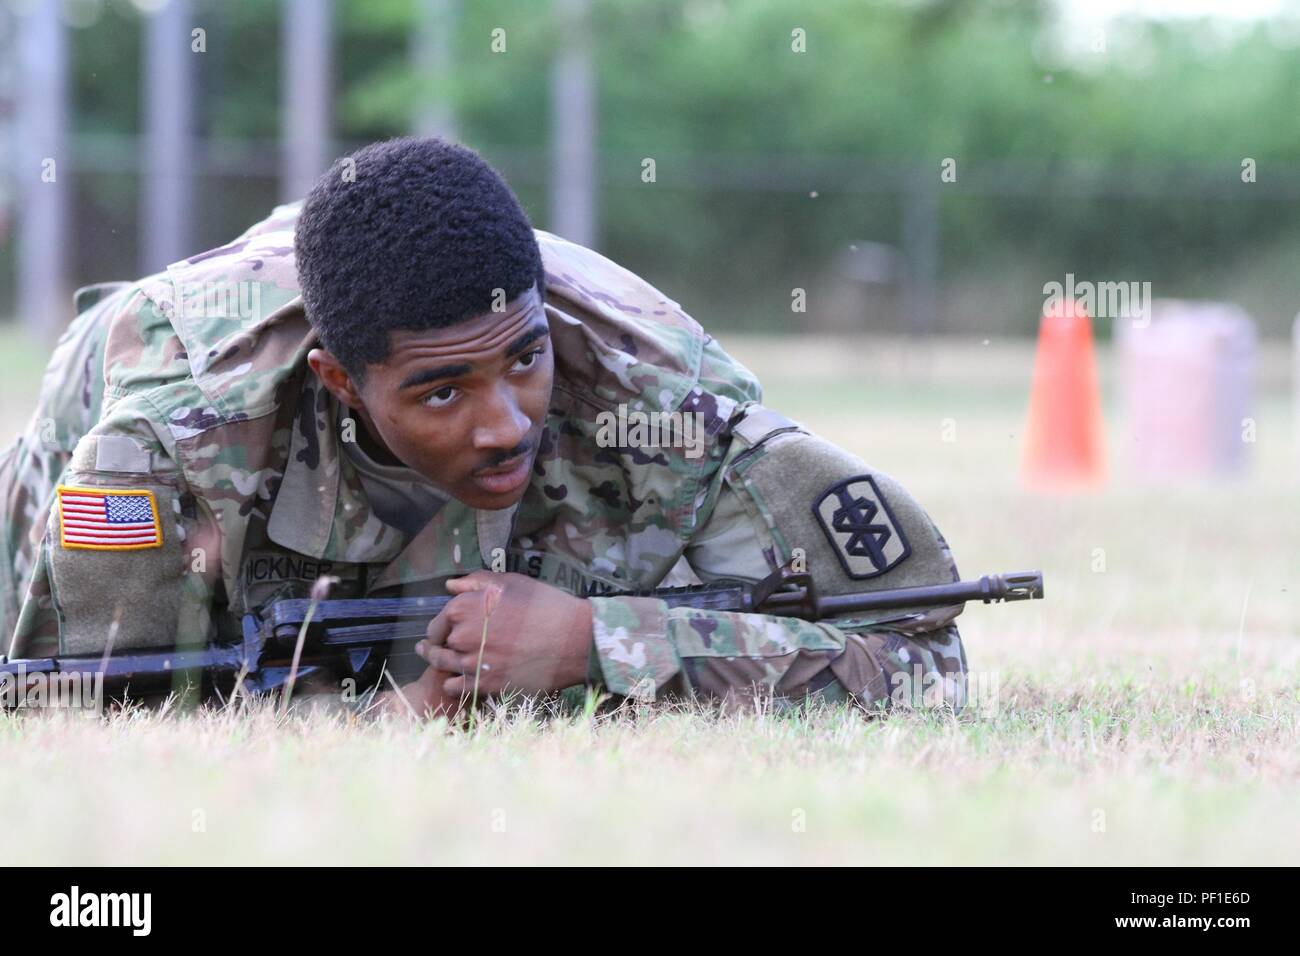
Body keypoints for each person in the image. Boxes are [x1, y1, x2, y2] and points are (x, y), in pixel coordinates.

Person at [0, 136, 968, 717]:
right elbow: (79, 702)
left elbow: (924, 664)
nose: (505, 424)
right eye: (440, 392)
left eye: (525, 360)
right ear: (341, 379)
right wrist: (365, 719)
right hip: (116, 376)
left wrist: (603, 643)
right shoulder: (170, 433)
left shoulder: (668, 402)